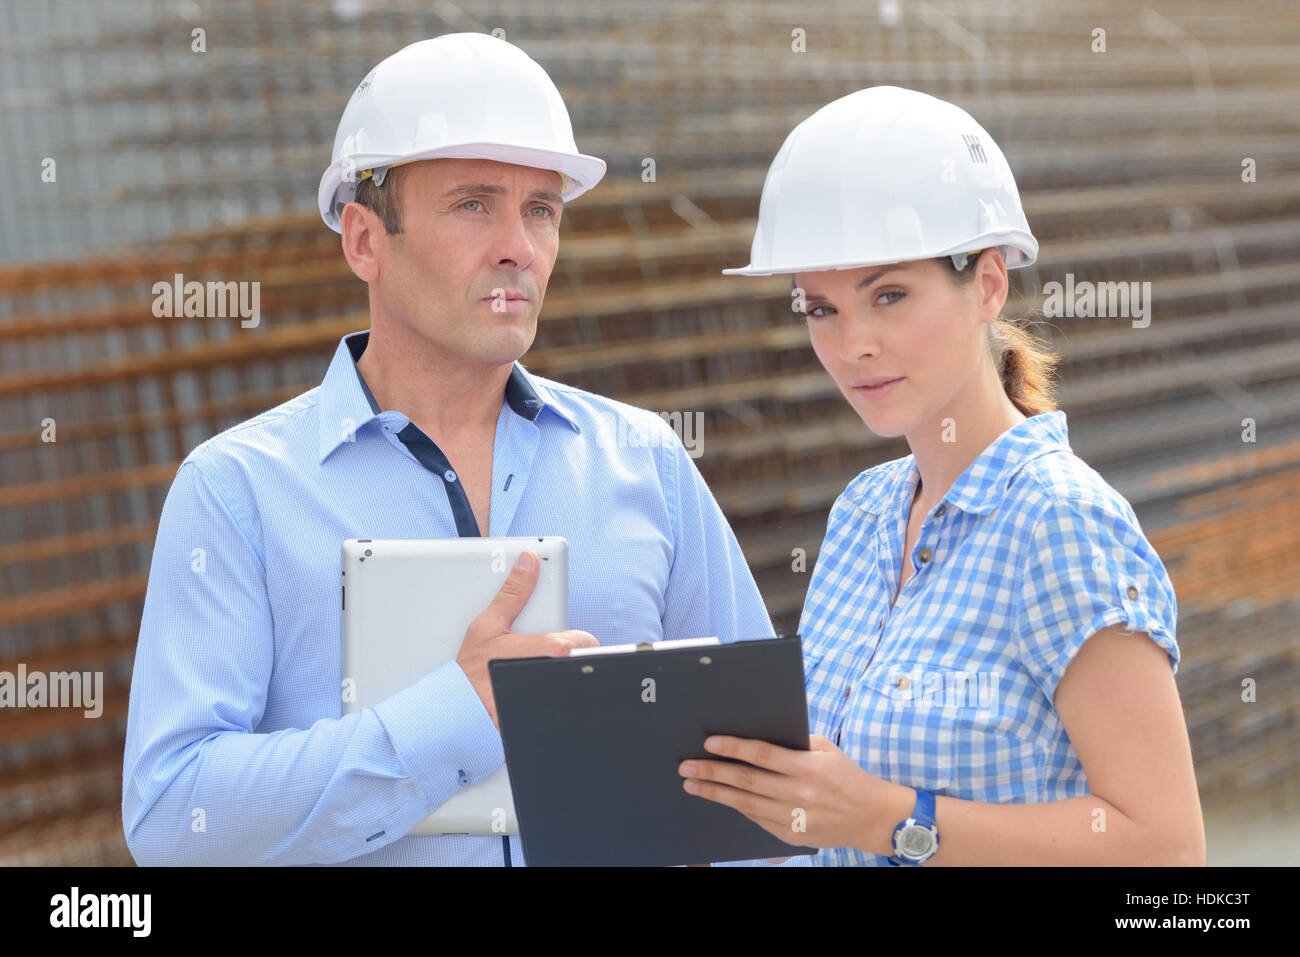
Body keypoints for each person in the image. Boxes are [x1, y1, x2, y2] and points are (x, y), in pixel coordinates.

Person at [122, 33, 776, 866]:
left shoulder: (644, 461)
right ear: (365, 241)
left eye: (541, 209)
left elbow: (765, 787)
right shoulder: (237, 492)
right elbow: (174, 817)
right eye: (475, 204)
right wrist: (453, 717)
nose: (519, 246)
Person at [679, 86, 1205, 865]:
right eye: (820, 309)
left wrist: (891, 818)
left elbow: (1166, 851)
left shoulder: (1061, 523)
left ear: (988, 284)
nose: (853, 344)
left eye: (888, 295)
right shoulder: (864, 512)